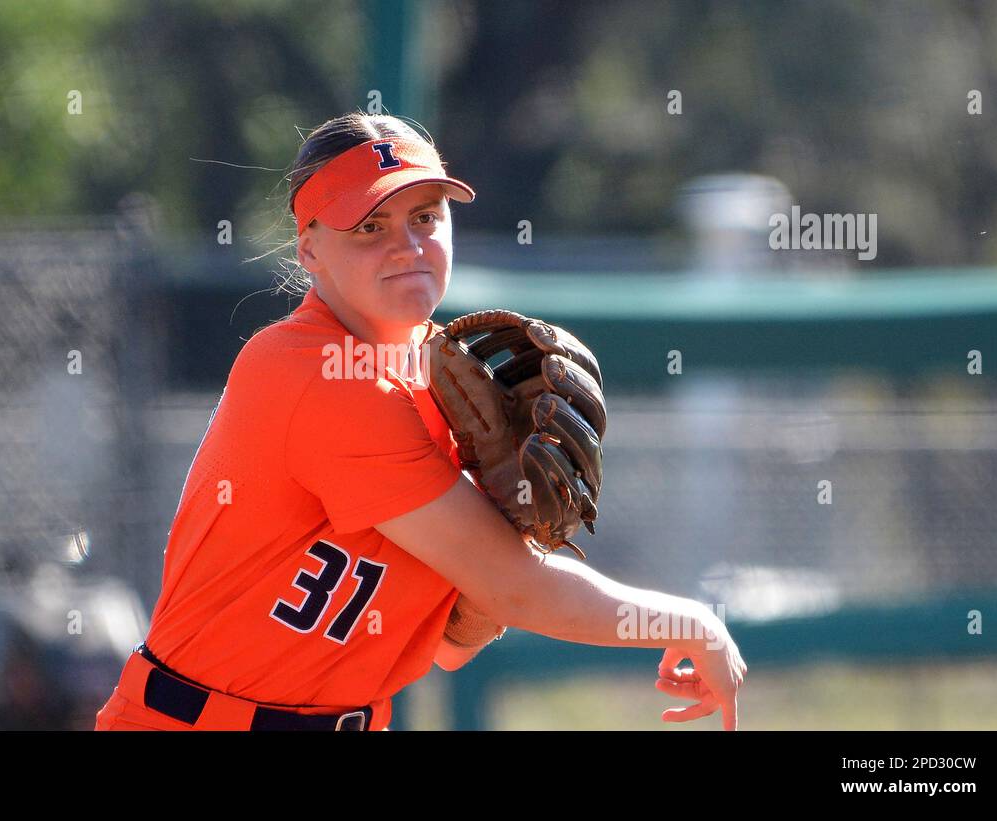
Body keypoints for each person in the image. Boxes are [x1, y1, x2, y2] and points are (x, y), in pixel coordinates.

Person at [94, 111, 746, 731]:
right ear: (310, 249)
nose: (407, 246)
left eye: (425, 217)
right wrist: (687, 621)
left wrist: (513, 529)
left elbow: (453, 643)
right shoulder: (307, 370)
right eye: (369, 226)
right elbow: (518, 590)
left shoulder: (450, 385)